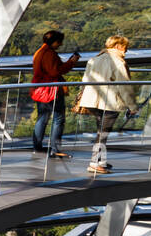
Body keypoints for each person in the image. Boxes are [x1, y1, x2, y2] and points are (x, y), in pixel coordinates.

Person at [76, 35, 138, 174]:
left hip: (92, 101)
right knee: (103, 134)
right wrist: (133, 107)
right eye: (125, 47)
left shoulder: (94, 59)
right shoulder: (118, 62)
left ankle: (101, 161)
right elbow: (125, 87)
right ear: (117, 46)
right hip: (109, 103)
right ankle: (94, 163)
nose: (126, 50)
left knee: (101, 132)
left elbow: (85, 80)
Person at [31, 30, 80, 157]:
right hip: (52, 90)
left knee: (42, 118)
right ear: (54, 42)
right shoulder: (49, 54)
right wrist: (71, 62)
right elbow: (55, 71)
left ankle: (37, 147)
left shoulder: (39, 52)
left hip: (39, 89)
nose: (60, 44)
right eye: (59, 42)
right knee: (58, 119)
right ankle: (55, 149)